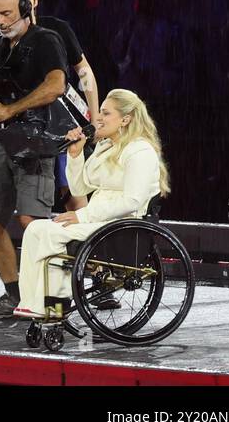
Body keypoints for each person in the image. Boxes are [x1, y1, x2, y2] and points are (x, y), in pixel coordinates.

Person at [0, 0, 78, 321]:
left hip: (37, 140)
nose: (1, 21)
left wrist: (11, 109)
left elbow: (56, 85)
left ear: (25, 10)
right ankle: (15, 295)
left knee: (33, 222)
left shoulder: (46, 40)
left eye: (6, 13)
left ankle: (57, 298)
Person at [15, 90, 168, 317]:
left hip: (123, 224)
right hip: (98, 218)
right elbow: (79, 189)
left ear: (125, 119)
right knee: (35, 229)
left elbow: (132, 201)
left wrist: (83, 216)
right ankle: (31, 303)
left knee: (51, 235)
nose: (98, 118)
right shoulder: (105, 146)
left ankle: (55, 307)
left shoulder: (140, 150)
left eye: (106, 113)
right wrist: (75, 155)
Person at [0, 0, 99, 211]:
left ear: (34, 0)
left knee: (74, 198)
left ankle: (85, 248)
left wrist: (95, 118)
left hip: (66, 124)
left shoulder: (56, 29)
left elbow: (84, 71)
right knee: (30, 207)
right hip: (29, 131)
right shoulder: (4, 39)